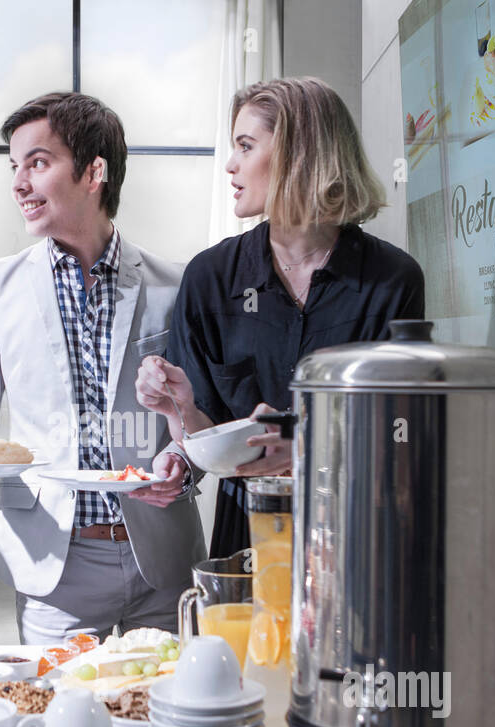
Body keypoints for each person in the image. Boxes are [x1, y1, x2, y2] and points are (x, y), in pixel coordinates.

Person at [0, 92, 206, 645]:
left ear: (94, 171)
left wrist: (180, 462)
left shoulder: (176, 285)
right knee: (56, 720)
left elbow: (194, 414)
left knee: (166, 717)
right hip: (53, 562)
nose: (19, 183)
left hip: (163, 557)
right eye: (15, 167)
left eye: (38, 162)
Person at [136, 76, 425, 557]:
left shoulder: (392, 280)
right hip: (246, 544)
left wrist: (310, 452)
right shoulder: (209, 278)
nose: (230, 165)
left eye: (245, 147)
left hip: (362, 543)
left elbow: (402, 435)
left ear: (298, 154)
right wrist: (180, 407)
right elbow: (208, 441)